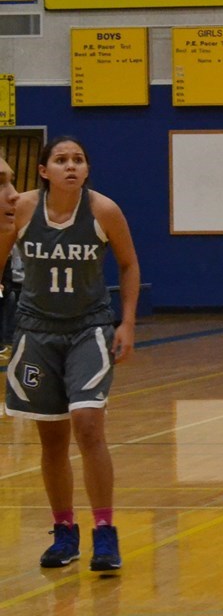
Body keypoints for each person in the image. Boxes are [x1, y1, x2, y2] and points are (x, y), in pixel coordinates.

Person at [0, 135, 141, 573]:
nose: (71, 166)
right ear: (44, 171)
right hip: (37, 332)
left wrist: (128, 321)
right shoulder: (21, 208)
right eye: (60, 160)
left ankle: (105, 532)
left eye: (78, 159)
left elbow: (129, 264)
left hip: (87, 329)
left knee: (88, 425)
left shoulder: (103, 210)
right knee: (52, 438)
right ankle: (65, 531)